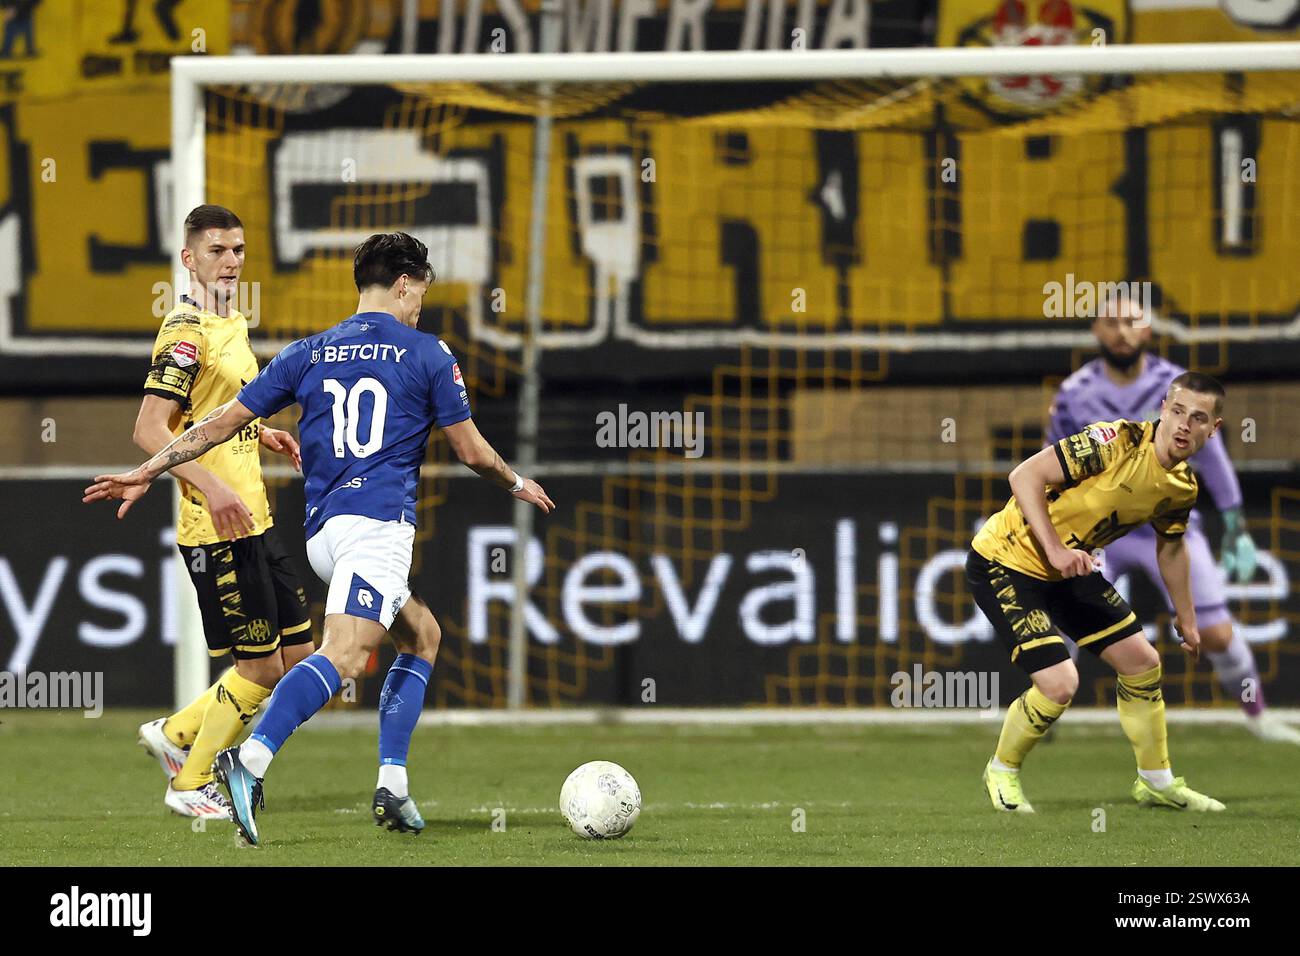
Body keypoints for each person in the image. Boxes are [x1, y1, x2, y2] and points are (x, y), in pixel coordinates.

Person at [86, 232, 555, 845]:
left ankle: (392, 784)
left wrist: (147, 470)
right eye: (420, 295)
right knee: (344, 655)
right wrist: (516, 480)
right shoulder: (428, 352)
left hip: (321, 535)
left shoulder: (308, 351)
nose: (420, 308)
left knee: (422, 635)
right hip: (377, 527)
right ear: (406, 284)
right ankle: (247, 764)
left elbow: (218, 425)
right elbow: (468, 449)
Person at [969, 372, 1229, 813]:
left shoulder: (1181, 487)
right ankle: (1002, 771)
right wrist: (1053, 550)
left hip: (1068, 570)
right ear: (1163, 409)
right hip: (1006, 560)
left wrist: (1187, 617)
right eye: (1179, 411)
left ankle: (1156, 782)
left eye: (1198, 418)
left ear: (1213, 429)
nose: (1185, 425)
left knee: (1143, 663)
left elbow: (1171, 549)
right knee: (1059, 683)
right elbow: (1024, 475)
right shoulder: (1112, 442)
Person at [1048, 294, 1297, 742]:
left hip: (1167, 527)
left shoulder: (1175, 389)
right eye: (1111, 322)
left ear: (1148, 329)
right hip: (1099, 533)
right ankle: (1040, 718)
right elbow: (1054, 464)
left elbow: (1214, 459)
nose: (1122, 331)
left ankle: (1258, 716)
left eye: (1132, 321)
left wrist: (1235, 525)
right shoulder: (1073, 393)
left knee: (1217, 634)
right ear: (1096, 331)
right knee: (1062, 625)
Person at [134, 204, 311, 820]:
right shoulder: (185, 334)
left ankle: (177, 734)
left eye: (237, 249)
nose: (231, 261)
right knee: (259, 667)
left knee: (295, 658)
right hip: (216, 524)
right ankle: (190, 782)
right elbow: (151, 431)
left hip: (253, 516)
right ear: (189, 259)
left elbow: (212, 411)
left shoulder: (230, 321)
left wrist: (259, 432)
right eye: (216, 250)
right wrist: (212, 486)